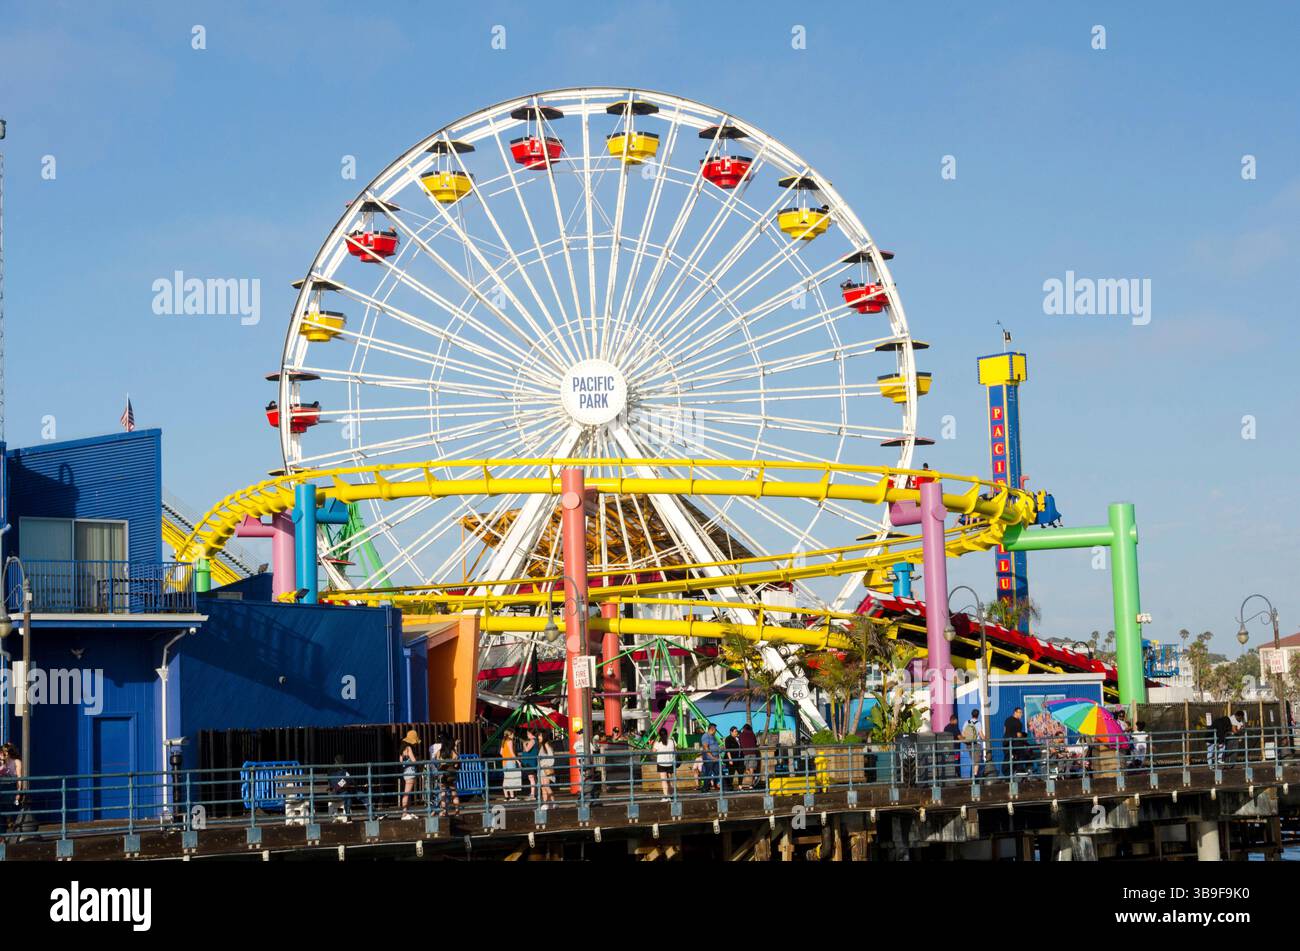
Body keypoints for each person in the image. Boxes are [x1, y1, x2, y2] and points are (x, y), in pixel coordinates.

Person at [0, 743, 22, 836]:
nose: (3, 754)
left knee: (10, 812)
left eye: (5, 752)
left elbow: (19, 777)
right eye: (2, 752)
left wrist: (19, 792)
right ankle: (2, 836)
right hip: (1, 787)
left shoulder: (16, 761)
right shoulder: (1, 762)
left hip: (11, 787)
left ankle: (10, 831)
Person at [398, 729, 420, 820]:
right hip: (411, 771)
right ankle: (404, 813)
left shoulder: (402, 749)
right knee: (407, 793)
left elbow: (401, 761)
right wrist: (418, 760)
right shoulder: (409, 748)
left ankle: (407, 812)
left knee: (407, 792)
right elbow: (414, 760)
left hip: (405, 771)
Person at [327, 754, 352, 822]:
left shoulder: (343, 769)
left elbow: (349, 779)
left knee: (349, 795)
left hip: (343, 790)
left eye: (341, 762)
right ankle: (348, 815)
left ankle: (348, 815)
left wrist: (341, 784)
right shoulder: (331, 770)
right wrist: (341, 784)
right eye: (339, 762)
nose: (340, 763)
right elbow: (333, 783)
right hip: (335, 792)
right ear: (335, 761)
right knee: (347, 795)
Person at [1002, 707, 1027, 778]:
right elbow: (1018, 734)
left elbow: (1005, 730)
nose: (1021, 714)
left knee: (1009, 758)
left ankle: (1009, 773)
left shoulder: (1008, 720)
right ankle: (1017, 771)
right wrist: (1021, 735)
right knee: (1018, 755)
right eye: (1020, 713)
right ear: (1015, 712)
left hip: (1008, 742)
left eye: (1021, 713)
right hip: (1013, 743)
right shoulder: (1017, 722)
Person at [653, 728, 676, 801]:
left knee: (664, 780)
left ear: (659, 735)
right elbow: (675, 750)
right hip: (670, 762)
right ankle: (672, 795)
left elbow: (653, 751)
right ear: (667, 733)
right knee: (670, 780)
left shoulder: (658, 743)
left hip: (661, 763)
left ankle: (666, 796)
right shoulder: (672, 741)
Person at [961, 710, 985, 778]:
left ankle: (973, 775)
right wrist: (985, 738)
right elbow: (981, 735)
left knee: (973, 760)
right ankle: (975, 776)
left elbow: (963, 734)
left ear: (971, 714)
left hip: (968, 744)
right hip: (976, 744)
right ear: (978, 715)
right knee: (976, 761)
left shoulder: (967, 722)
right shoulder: (978, 723)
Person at [699, 723, 722, 792]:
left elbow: (714, 746)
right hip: (709, 758)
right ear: (712, 729)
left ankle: (712, 786)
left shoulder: (713, 736)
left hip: (715, 757)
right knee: (708, 773)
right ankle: (705, 788)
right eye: (715, 729)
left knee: (717, 772)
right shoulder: (706, 736)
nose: (716, 731)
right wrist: (712, 757)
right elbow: (706, 747)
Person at [500, 729, 521, 801]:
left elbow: (501, 752)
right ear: (510, 734)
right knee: (512, 779)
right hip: (510, 762)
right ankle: (512, 796)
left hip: (504, 762)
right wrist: (518, 761)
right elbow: (512, 753)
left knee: (506, 779)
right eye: (513, 734)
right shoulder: (510, 741)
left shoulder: (503, 741)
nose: (514, 735)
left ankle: (506, 796)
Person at [520, 728, 539, 801]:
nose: (527, 735)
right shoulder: (535, 741)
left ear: (531, 734)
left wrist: (524, 744)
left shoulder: (532, 740)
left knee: (531, 778)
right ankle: (534, 793)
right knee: (532, 778)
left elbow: (527, 749)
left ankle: (532, 794)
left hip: (530, 762)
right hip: (531, 762)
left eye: (528, 733)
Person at [537, 734, 556, 809]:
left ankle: (553, 802)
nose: (538, 737)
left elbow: (551, 757)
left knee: (546, 786)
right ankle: (546, 803)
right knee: (543, 787)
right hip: (541, 769)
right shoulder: (542, 746)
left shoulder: (546, 745)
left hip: (545, 769)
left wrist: (546, 764)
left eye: (540, 736)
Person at [739, 723, 759, 789]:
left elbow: (741, 744)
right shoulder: (752, 734)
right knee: (752, 768)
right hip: (753, 752)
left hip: (745, 753)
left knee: (747, 768)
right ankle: (751, 783)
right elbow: (755, 742)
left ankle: (752, 781)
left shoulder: (741, 735)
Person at [942, 713, 962, 781]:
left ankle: (950, 775)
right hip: (956, 748)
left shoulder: (946, 727)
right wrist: (965, 738)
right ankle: (957, 775)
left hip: (948, 749)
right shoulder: (955, 727)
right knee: (956, 761)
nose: (957, 721)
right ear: (954, 720)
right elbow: (960, 737)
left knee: (949, 761)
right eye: (956, 720)